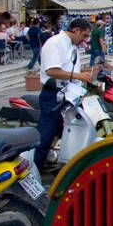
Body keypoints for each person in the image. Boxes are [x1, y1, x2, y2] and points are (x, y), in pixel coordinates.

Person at [34, 17, 97, 173]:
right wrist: (78, 76)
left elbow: (69, 70)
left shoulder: (72, 46)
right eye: (84, 35)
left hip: (69, 94)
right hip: (54, 94)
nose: (86, 40)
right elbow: (52, 71)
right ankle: (34, 171)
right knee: (46, 135)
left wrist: (84, 75)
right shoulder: (55, 43)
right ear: (76, 31)